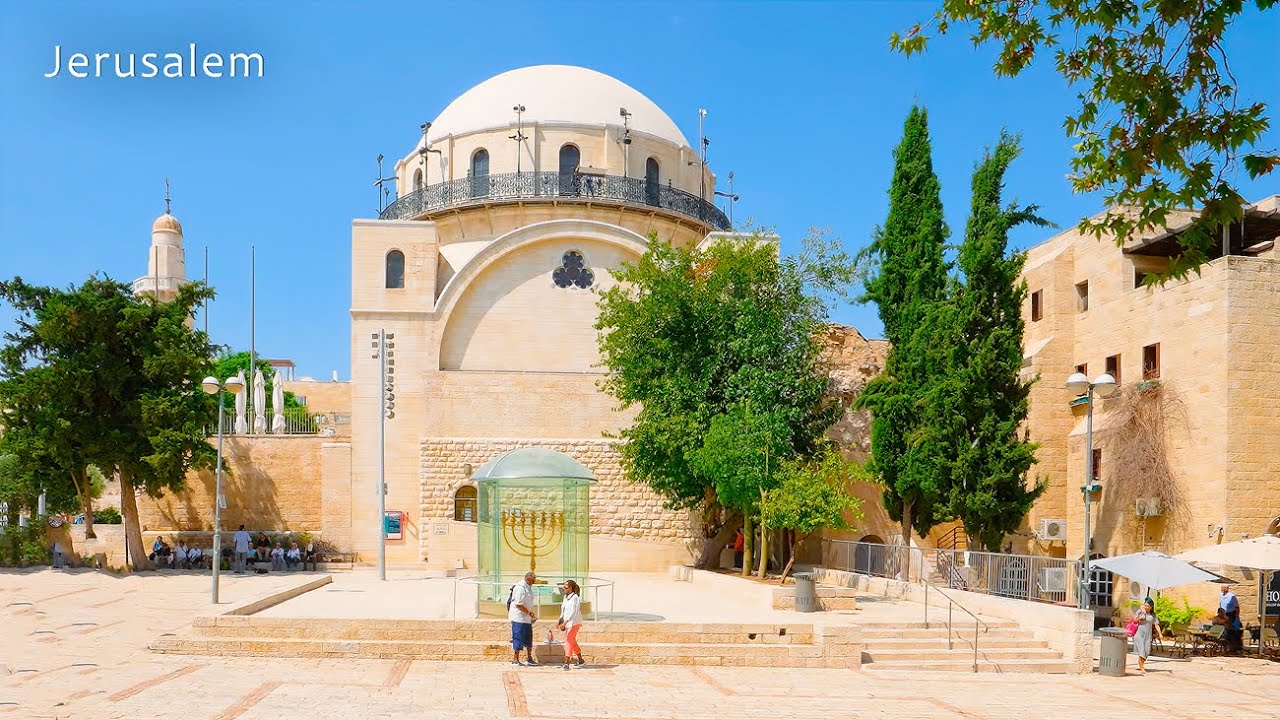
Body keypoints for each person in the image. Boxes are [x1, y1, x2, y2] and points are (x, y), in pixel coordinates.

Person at [508, 571, 539, 667]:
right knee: (518, 638)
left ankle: (529, 658)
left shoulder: (528, 587)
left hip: (526, 618)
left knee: (528, 638)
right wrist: (529, 612)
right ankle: (515, 659)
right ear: (528, 579)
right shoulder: (520, 588)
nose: (533, 583)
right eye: (533, 581)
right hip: (519, 618)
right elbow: (518, 604)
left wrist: (530, 613)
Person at [558, 579, 585, 670]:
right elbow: (563, 610)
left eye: (565, 586)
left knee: (569, 640)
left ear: (571, 588)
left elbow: (574, 612)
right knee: (571, 640)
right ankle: (581, 660)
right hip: (567, 623)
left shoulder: (575, 598)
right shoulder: (565, 597)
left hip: (574, 622)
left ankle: (567, 662)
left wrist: (565, 622)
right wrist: (560, 620)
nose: (563, 588)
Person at [1132, 600, 1163, 672]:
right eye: (1145, 605)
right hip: (1139, 633)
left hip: (1148, 635)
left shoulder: (1153, 615)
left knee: (1146, 651)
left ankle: (1141, 662)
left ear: (1151, 607)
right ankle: (1142, 666)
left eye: (1147, 606)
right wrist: (1140, 617)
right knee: (1141, 650)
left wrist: (1160, 633)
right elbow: (1134, 621)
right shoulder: (1140, 612)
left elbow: (1156, 625)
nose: (1146, 607)